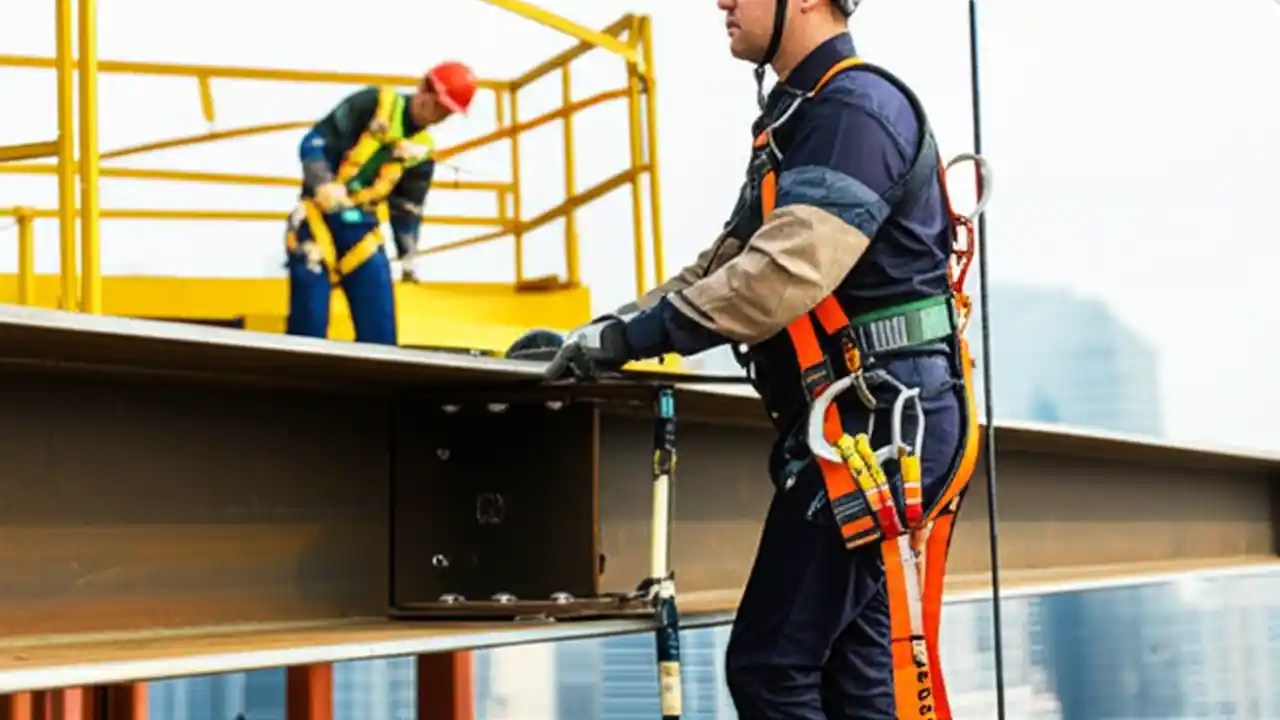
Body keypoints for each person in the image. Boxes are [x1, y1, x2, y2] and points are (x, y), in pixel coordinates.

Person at [531, 1, 983, 718]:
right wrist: (600, 335)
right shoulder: (806, 113)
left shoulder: (855, 113)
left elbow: (776, 278)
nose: (722, 2)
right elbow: (723, 267)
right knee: (853, 674)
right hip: (872, 425)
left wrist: (627, 341)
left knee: (772, 666)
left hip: (879, 431)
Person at [285, 61, 477, 344]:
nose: (437, 114)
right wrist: (322, 182)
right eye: (437, 104)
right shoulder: (375, 103)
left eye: (445, 112)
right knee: (310, 320)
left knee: (381, 331)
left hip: (361, 231)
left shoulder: (420, 152)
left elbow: (407, 209)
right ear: (424, 87)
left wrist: (408, 258)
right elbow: (315, 141)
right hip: (317, 222)